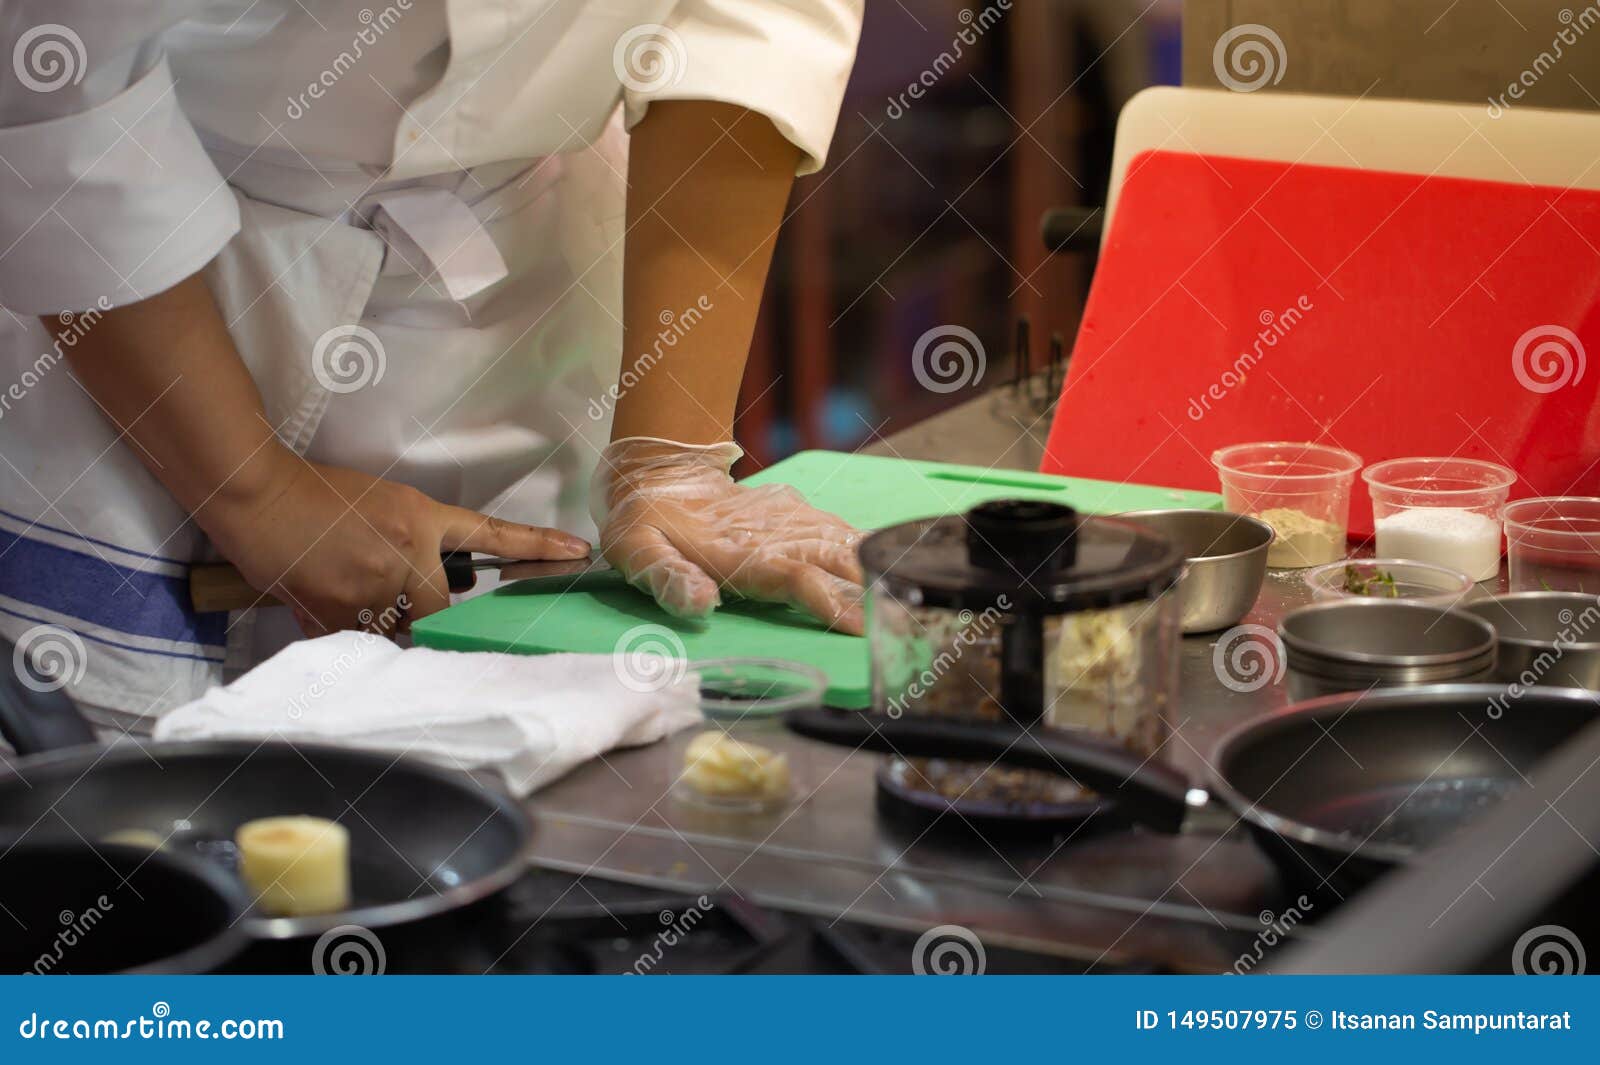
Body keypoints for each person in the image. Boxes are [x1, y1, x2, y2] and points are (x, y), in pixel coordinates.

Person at [0, 1, 866, 731]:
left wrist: (670, 455)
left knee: (531, 778)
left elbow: (744, 24)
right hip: (137, 294)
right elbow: (50, 79)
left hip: (518, 286)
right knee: (140, 855)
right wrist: (253, 489)